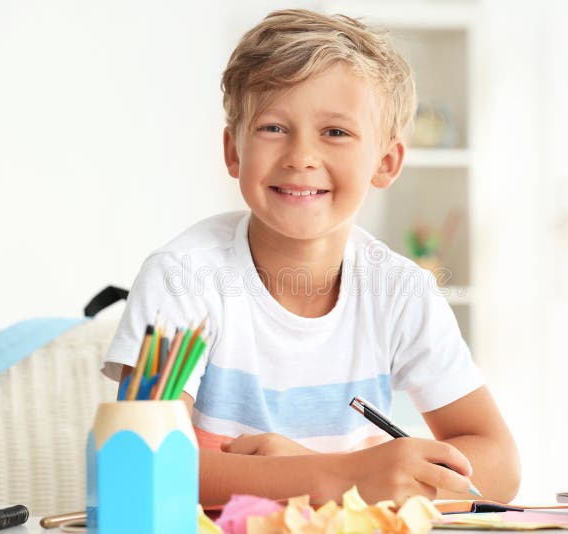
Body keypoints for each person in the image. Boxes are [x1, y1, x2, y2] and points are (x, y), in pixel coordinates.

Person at [103, 8, 520, 506]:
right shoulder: (184, 277)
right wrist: (338, 477)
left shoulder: (400, 291)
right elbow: (139, 465)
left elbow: (499, 464)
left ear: (386, 163)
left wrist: (338, 479)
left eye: (335, 132)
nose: (301, 155)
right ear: (233, 151)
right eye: (274, 128)